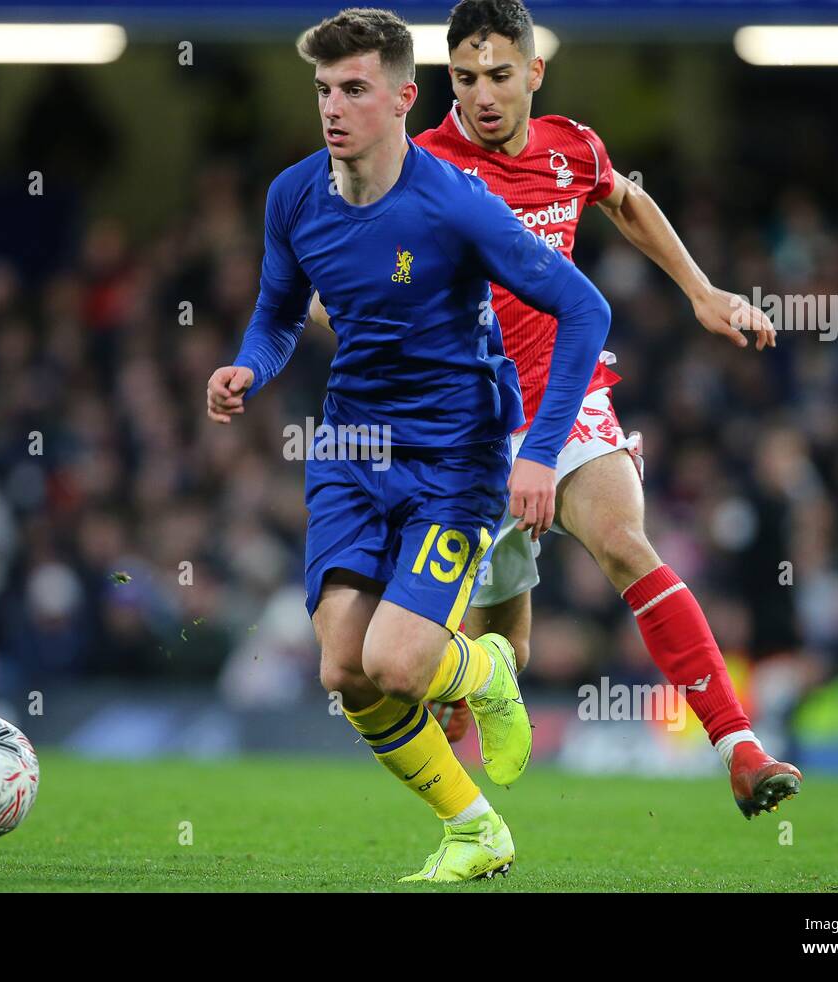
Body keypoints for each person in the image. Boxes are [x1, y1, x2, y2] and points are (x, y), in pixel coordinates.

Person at [311, 0, 802, 820]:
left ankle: (738, 746)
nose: (483, 96)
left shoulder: (572, 147)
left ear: (533, 72)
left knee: (622, 541)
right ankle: (476, 714)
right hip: (459, 431)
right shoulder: (417, 163)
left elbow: (626, 200)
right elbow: (336, 287)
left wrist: (702, 291)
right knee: (471, 658)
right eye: (464, 79)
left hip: (563, 408)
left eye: (500, 75)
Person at [207, 7, 611, 880]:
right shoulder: (294, 195)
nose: (334, 108)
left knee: (397, 665)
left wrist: (541, 452)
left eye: (354, 89)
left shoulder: (456, 203)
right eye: (324, 90)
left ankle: (487, 668)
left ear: (402, 98)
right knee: (343, 671)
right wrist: (247, 366)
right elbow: (279, 313)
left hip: (452, 458)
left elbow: (585, 308)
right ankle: (474, 828)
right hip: (350, 449)